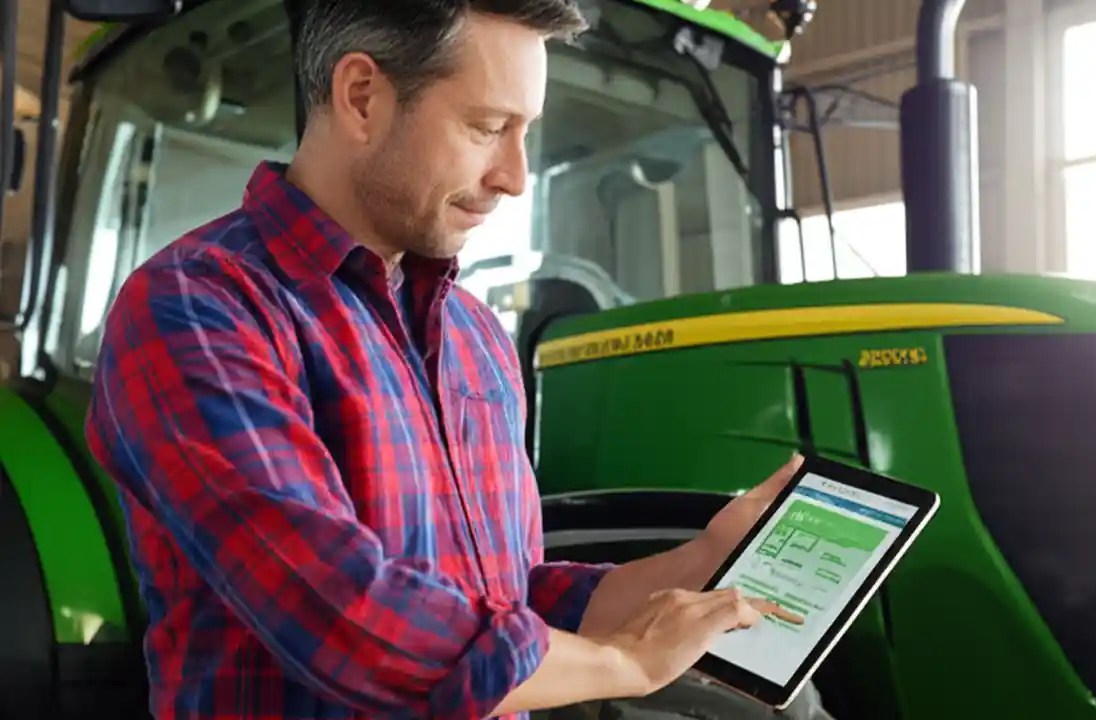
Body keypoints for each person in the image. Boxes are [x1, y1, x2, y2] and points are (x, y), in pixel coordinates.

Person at [83, 1, 821, 719]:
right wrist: (624, 665)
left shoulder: (474, 337)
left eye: (524, 133)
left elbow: (505, 603)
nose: (514, 175)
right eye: (487, 127)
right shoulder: (198, 307)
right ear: (363, 97)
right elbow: (344, 615)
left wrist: (704, 560)